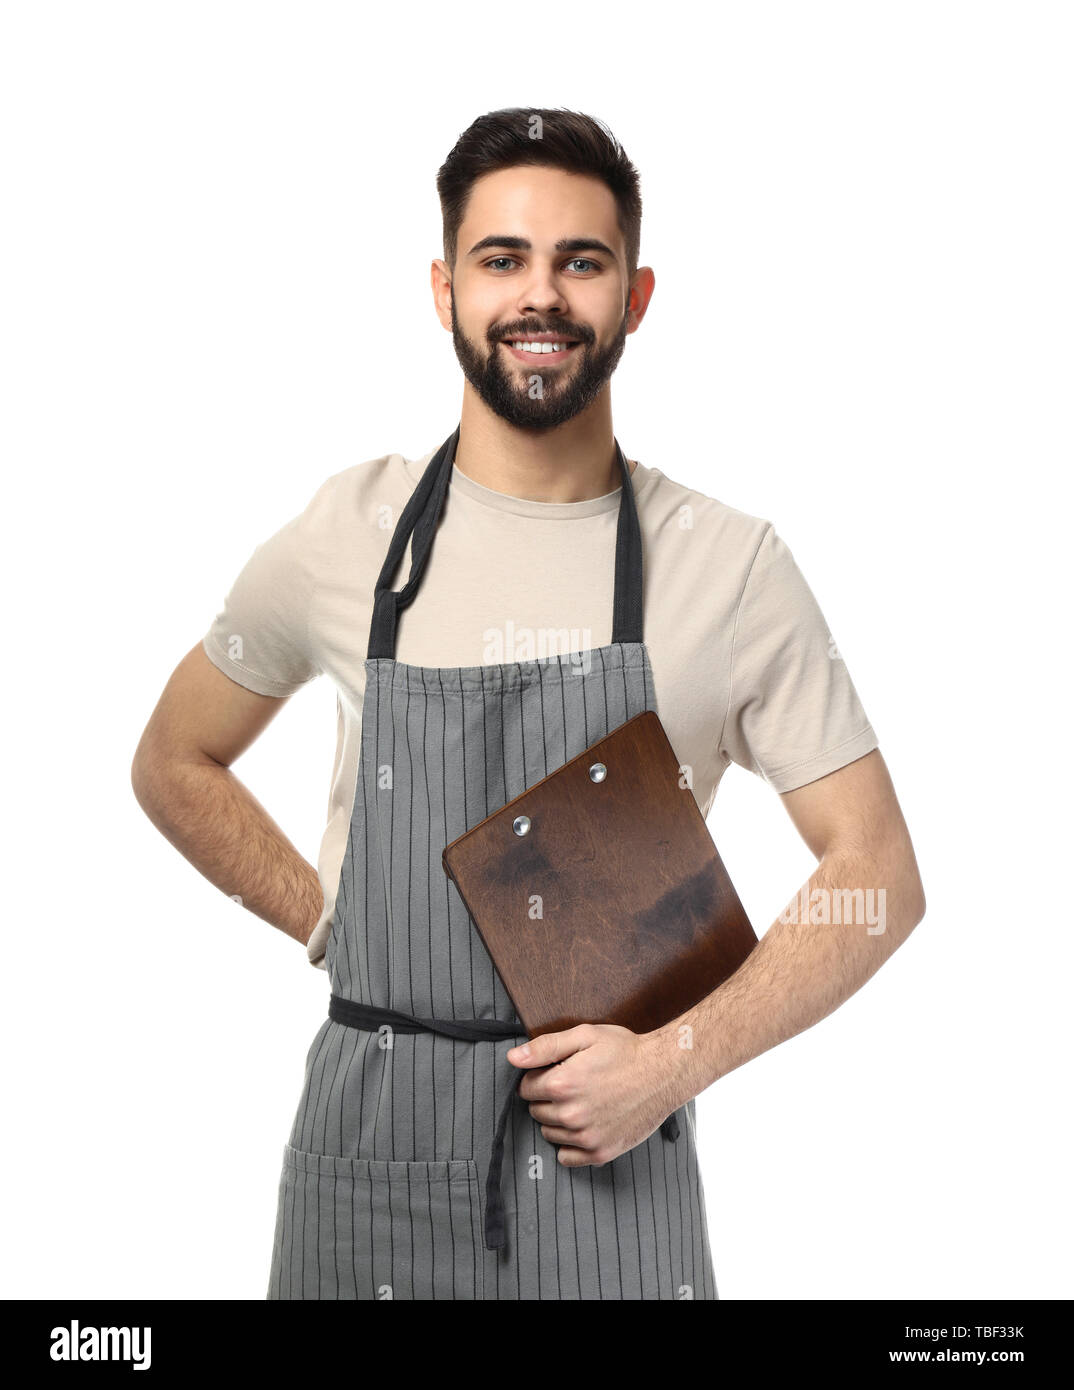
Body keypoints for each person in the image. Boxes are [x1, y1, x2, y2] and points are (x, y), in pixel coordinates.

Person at [131, 107, 926, 1301]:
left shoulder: (732, 565)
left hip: (611, 1164)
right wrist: (328, 916)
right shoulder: (344, 537)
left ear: (638, 295)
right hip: (369, 1167)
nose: (539, 295)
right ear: (445, 288)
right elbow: (173, 759)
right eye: (503, 259)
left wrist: (674, 1060)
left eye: (581, 261)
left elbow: (879, 872)